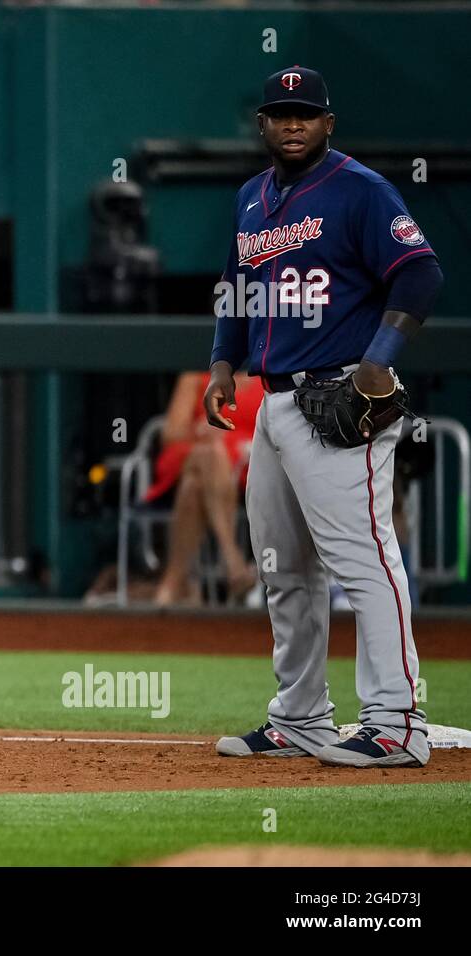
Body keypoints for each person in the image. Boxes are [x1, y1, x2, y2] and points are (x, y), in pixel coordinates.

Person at [208, 67, 443, 768]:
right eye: (280, 113)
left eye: (305, 114)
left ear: (328, 123)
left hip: (342, 392)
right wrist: (223, 363)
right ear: (263, 123)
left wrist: (379, 359)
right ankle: (302, 718)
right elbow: (235, 288)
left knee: (364, 559)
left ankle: (398, 721)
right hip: (275, 401)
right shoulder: (251, 198)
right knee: (283, 565)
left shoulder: (360, 190)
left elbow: (421, 272)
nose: (292, 124)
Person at [147, 371, 264, 605]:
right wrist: (199, 430)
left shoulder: (269, 374)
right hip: (191, 455)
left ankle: (173, 583)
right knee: (210, 453)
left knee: (193, 486)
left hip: (246, 466)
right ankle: (231, 559)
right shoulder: (195, 375)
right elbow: (171, 433)